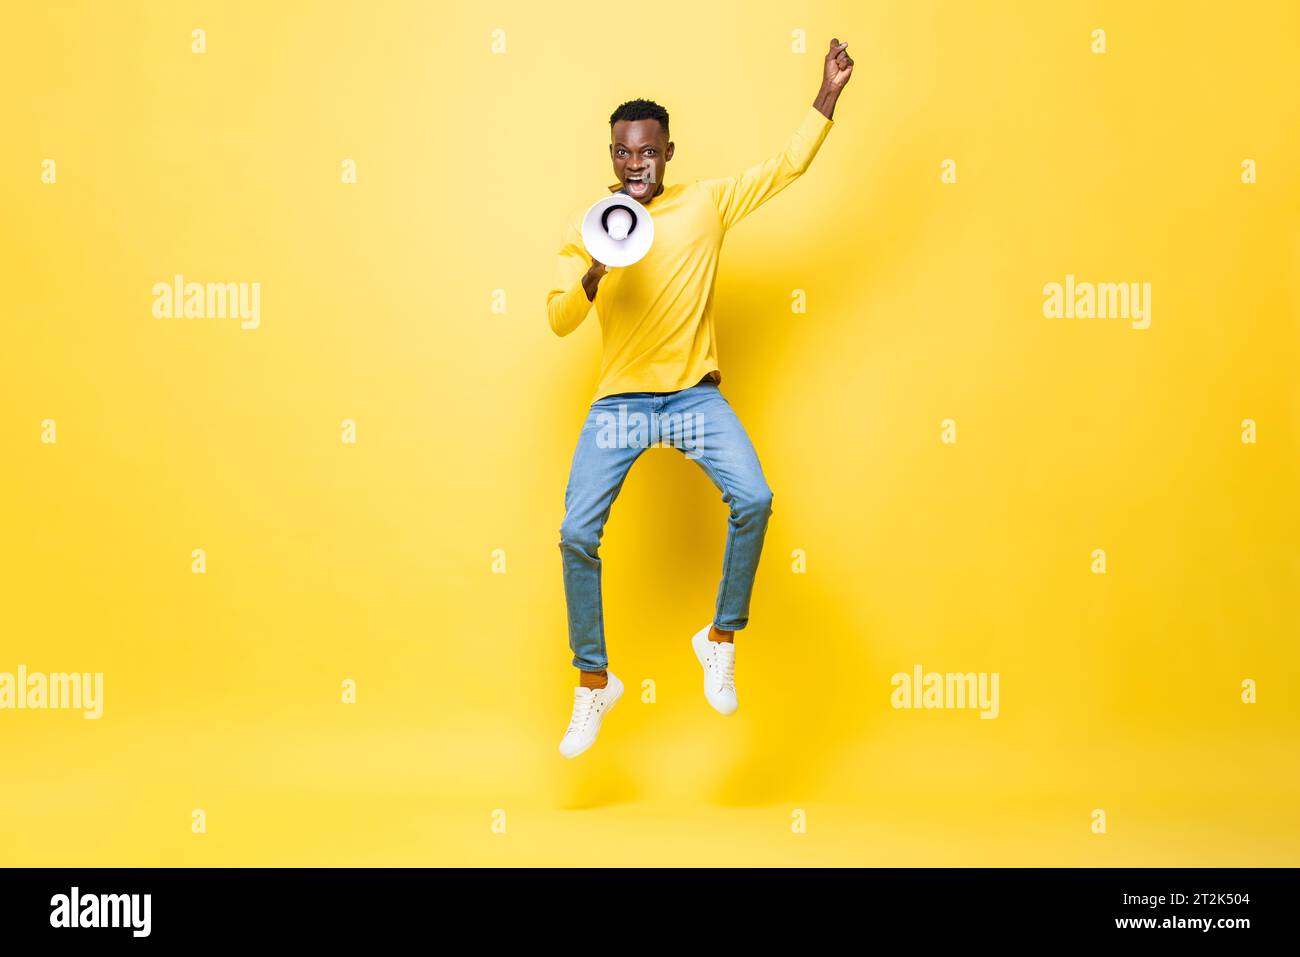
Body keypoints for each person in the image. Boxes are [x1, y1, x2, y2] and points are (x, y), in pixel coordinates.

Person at [547, 38, 854, 758]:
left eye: (647, 153)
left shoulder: (707, 204)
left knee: (754, 498)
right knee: (574, 535)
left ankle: (719, 636)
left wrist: (828, 95)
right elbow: (559, 318)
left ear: (668, 151)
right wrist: (593, 267)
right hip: (621, 406)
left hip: (692, 398)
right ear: (612, 156)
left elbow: (785, 168)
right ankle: (594, 682)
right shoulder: (589, 225)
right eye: (623, 154)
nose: (635, 165)